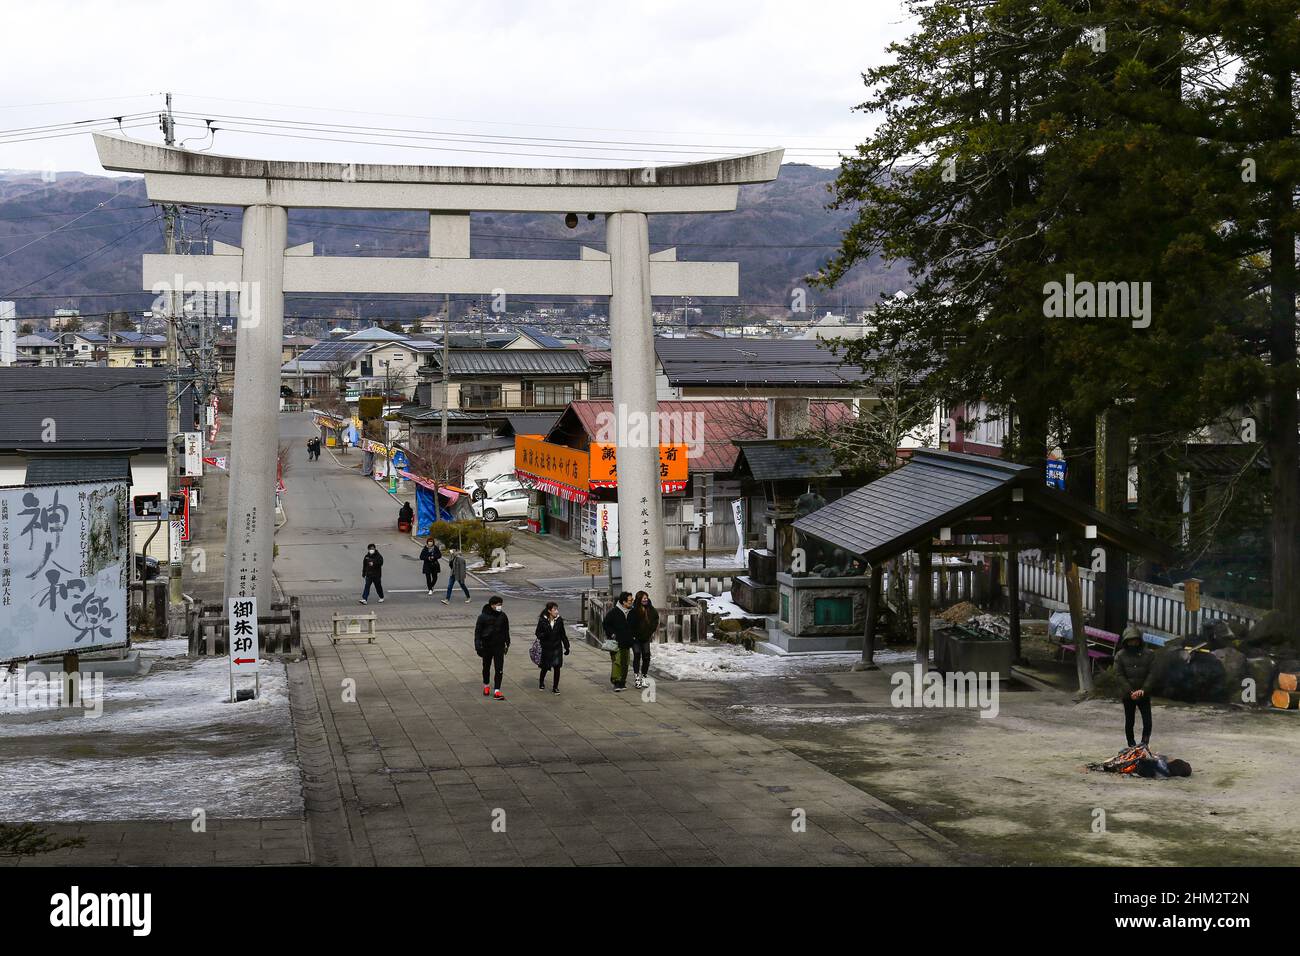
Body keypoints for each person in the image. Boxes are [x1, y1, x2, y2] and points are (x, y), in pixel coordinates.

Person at [1115, 624, 1154, 747]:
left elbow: (1152, 673)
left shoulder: (1149, 654)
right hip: (1128, 695)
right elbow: (1119, 675)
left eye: (1136, 640)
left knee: (1147, 721)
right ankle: (1131, 745)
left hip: (1144, 693)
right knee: (1129, 721)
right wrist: (1130, 691)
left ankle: (1144, 743)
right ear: (1126, 641)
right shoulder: (1120, 656)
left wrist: (1144, 690)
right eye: (1131, 641)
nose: (1133, 643)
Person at [475, 595, 510, 700]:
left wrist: (507, 643)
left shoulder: (503, 616)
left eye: (501, 605)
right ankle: (486, 685)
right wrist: (478, 646)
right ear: (492, 605)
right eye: (498, 605)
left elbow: (506, 630)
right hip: (487, 646)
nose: (500, 607)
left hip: (499, 646)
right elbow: (477, 633)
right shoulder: (482, 617)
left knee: (499, 668)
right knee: (486, 667)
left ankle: (497, 690)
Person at [601, 591, 635, 691]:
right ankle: (616, 682)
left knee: (626, 662)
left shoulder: (632, 612)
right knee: (617, 662)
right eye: (630, 600)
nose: (631, 602)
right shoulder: (614, 612)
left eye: (632, 600)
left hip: (627, 642)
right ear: (624, 602)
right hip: (616, 642)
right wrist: (612, 634)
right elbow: (606, 624)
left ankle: (622, 682)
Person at [535, 601, 570, 694]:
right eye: (554, 609)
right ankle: (541, 682)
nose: (556, 611)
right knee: (545, 667)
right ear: (549, 611)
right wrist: (544, 634)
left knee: (557, 667)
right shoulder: (543, 620)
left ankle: (555, 687)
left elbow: (563, 634)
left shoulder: (559, 620)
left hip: (557, 647)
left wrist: (567, 646)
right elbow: (537, 633)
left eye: (556, 609)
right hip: (546, 647)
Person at [629, 590, 659, 690]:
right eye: (643, 598)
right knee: (637, 654)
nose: (645, 599)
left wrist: (651, 630)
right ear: (639, 599)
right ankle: (637, 677)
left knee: (646, 656)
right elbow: (629, 623)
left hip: (646, 637)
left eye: (646, 597)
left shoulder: (651, 609)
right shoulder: (633, 610)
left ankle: (644, 676)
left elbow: (655, 620)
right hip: (635, 638)